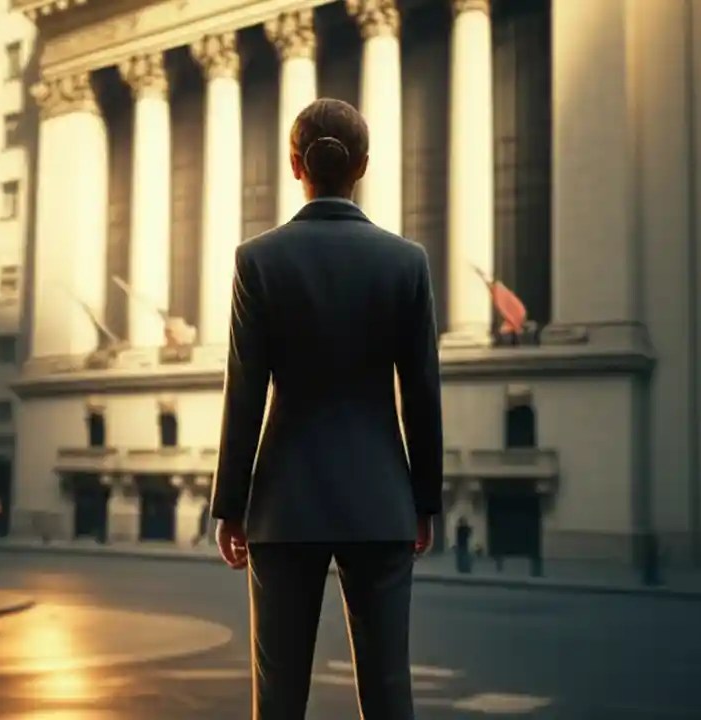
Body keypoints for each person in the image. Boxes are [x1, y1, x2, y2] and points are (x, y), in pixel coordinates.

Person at [211, 97, 444, 720]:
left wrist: (230, 506)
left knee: (279, 700)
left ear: (295, 165)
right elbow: (421, 390)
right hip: (381, 500)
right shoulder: (407, 262)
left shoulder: (256, 260)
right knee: (390, 692)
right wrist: (424, 500)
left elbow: (245, 391)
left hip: (284, 505)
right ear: (363, 166)